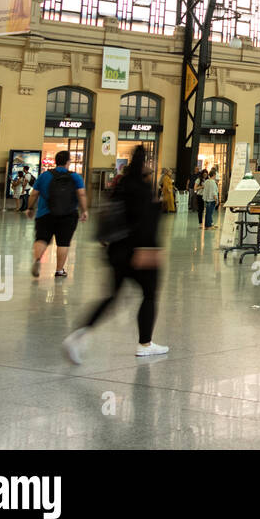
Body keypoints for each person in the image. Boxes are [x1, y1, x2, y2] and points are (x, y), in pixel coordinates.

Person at [63, 145, 167, 362]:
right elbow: (146, 222)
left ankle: (78, 336)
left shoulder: (121, 183)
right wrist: (148, 250)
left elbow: (110, 214)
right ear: (147, 162)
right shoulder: (142, 187)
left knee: (112, 296)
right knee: (149, 294)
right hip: (138, 251)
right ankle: (145, 343)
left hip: (117, 249)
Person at [28, 149, 88, 278]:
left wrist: (29, 208)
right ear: (68, 162)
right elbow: (81, 194)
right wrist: (84, 210)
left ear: (55, 161)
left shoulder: (45, 175)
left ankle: (38, 260)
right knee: (63, 242)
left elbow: (34, 193)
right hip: (68, 214)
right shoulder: (75, 177)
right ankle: (59, 270)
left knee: (42, 238)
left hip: (45, 213)